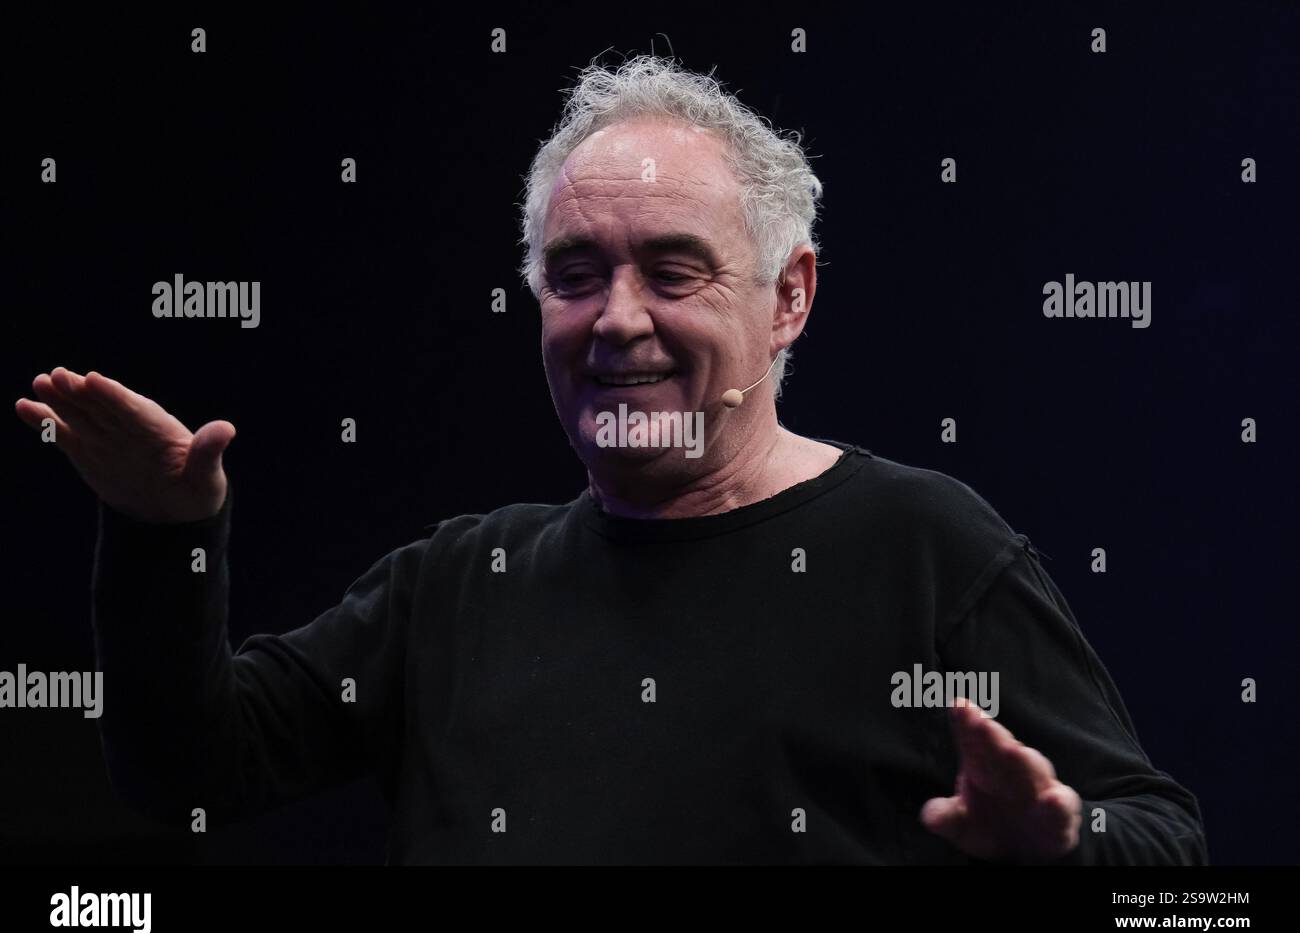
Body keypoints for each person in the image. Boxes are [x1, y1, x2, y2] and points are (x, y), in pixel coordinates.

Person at [14, 55, 1206, 864]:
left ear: (787, 296)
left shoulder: (928, 549)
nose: (616, 318)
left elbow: (1170, 858)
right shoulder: (455, 583)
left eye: (672, 271)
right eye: (575, 275)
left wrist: (1066, 847)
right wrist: (163, 532)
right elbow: (191, 771)